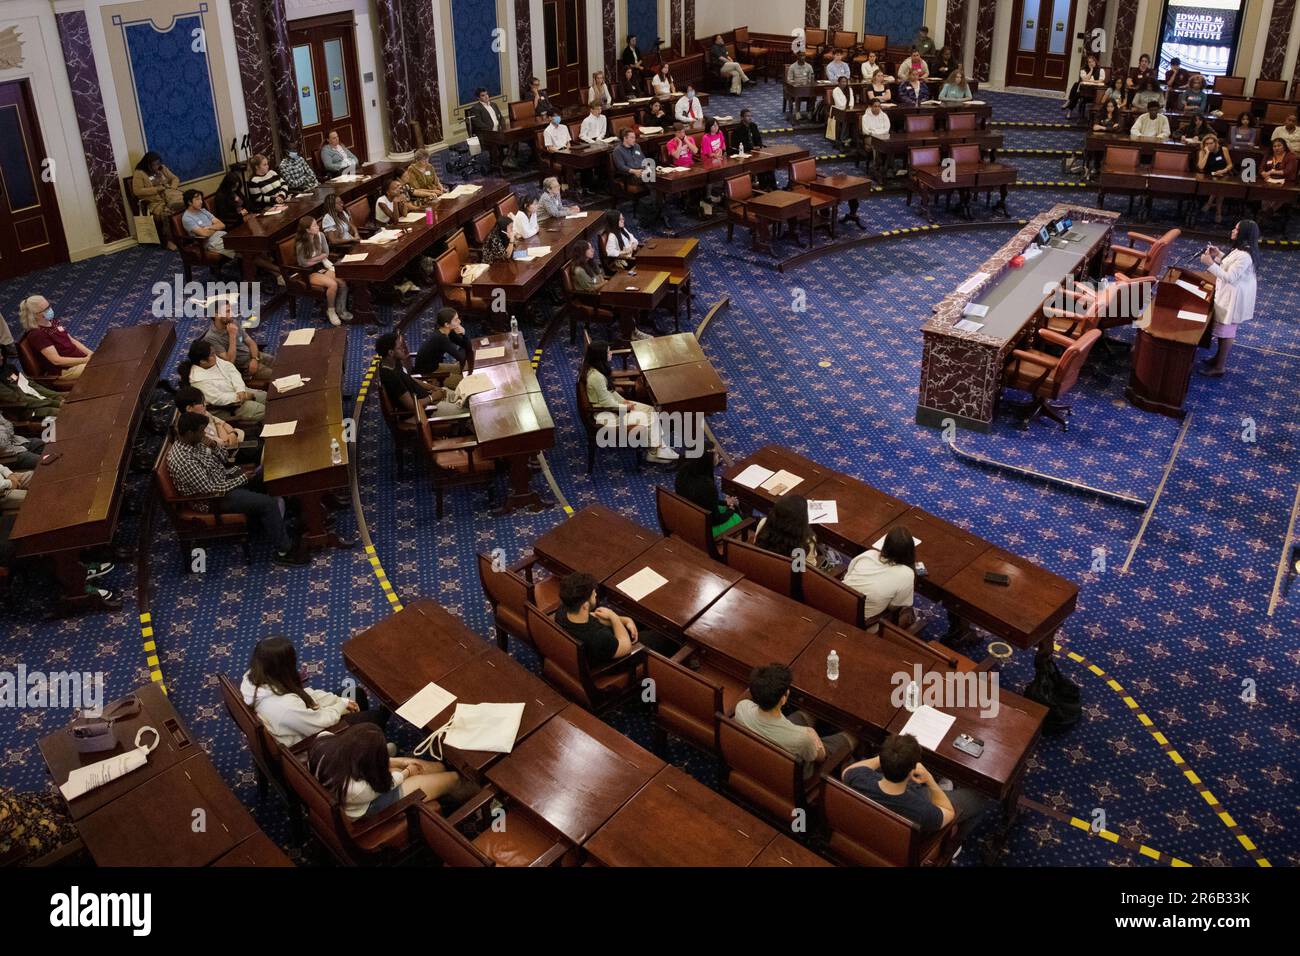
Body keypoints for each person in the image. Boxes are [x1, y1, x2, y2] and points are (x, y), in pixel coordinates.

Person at [167, 411, 305, 563]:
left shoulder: (195, 442)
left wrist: (213, 445)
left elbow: (225, 458)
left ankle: (300, 515)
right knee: (268, 504)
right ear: (189, 433)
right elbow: (213, 490)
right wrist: (243, 479)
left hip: (226, 479)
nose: (204, 433)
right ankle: (284, 551)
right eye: (201, 431)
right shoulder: (184, 461)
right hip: (214, 500)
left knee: (271, 474)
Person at [842, 732, 990, 844]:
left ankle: (944, 787)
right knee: (980, 797)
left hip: (867, 833)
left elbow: (847, 771)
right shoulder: (924, 811)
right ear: (912, 768)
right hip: (908, 840)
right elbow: (949, 812)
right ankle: (954, 844)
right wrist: (930, 780)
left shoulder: (859, 778)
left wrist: (888, 756)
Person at [308, 722, 475, 820]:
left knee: (439, 767)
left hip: (356, 786)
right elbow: (386, 785)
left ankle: (441, 773)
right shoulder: (358, 791)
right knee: (453, 778)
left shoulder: (322, 740)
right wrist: (406, 772)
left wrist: (399, 762)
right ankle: (469, 792)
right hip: (370, 804)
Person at [241, 635, 387, 747]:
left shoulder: (253, 676)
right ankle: (369, 748)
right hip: (311, 742)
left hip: (303, 720)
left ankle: (365, 744)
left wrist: (339, 701)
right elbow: (319, 723)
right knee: (374, 719)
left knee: (356, 694)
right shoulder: (285, 708)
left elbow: (301, 693)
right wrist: (340, 706)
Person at [733, 664, 856, 780]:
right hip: (796, 776)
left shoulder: (742, 708)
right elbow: (821, 757)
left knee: (807, 714)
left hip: (761, 760)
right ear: (783, 699)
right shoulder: (803, 738)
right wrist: (812, 735)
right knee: (852, 737)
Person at [584, 341, 678, 461]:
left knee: (650, 409)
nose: (611, 353)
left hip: (613, 407)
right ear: (600, 356)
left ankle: (656, 449)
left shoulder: (599, 371)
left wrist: (624, 401)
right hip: (606, 415)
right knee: (648, 418)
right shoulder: (596, 377)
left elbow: (610, 391)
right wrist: (625, 408)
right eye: (608, 351)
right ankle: (657, 450)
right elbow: (606, 403)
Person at [1198, 220, 1258, 377]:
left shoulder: (1245, 255)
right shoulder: (1241, 250)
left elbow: (1230, 277)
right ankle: (1218, 359)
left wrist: (1210, 264)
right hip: (1230, 294)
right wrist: (1218, 255)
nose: (1233, 230)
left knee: (1226, 332)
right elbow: (1230, 264)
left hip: (1234, 299)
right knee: (1223, 331)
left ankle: (1220, 367)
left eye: (1236, 229)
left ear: (1243, 233)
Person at [842, 526, 922, 632]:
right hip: (864, 624)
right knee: (908, 613)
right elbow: (894, 607)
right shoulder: (907, 574)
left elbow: (848, 575)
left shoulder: (868, 554)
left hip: (838, 604)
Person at [376, 332, 464, 419]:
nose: (404, 349)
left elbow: (409, 379)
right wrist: (433, 397)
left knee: (464, 396)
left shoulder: (392, 363)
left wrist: (431, 387)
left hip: (428, 397)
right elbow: (412, 406)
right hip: (427, 410)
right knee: (466, 410)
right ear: (391, 352)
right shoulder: (392, 377)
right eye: (400, 348)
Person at [554, 571, 637, 662]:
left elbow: (594, 617)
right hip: (609, 665)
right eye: (593, 594)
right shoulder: (599, 636)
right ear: (585, 606)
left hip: (586, 653)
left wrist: (626, 620)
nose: (596, 595)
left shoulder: (562, 610)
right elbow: (626, 647)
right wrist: (614, 617)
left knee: (634, 621)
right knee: (651, 637)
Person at [181, 339, 267, 421]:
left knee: (266, 396)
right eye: (212, 354)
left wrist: (240, 390)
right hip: (229, 406)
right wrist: (239, 397)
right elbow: (218, 399)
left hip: (240, 391)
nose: (215, 355)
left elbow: (231, 370)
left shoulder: (212, 359)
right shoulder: (198, 380)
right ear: (203, 361)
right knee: (262, 410)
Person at [17, 296, 93, 380]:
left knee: (102, 360)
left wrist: (90, 353)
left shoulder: (52, 321)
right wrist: (86, 360)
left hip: (78, 359)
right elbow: (56, 360)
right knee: (96, 367)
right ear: (35, 314)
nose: (50, 310)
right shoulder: (37, 334)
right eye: (45, 309)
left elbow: (71, 340)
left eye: (49, 306)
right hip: (65, 370)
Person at [674, 445, 743, 537]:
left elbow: (703, 501)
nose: (719, 456)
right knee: (738, 517)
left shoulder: (684, 471)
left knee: (726, 508)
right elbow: (716, 520)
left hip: (687, 516)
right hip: (703, 528)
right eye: (716, 455)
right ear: (707, 460)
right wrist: (731, 509)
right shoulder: (707, 487)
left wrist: (725, 502)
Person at [175, 384, 255, 462]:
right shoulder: (193, 428)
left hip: (237, 436)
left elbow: (223, 423)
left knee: (260, 432)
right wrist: (220, 426)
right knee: (261, 448)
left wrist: (232, 433)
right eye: (202, 403)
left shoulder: (204, 413)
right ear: (189, 408)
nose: (205, 405)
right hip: (231, 452)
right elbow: (223, 443)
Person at [295, 215, 348, 325]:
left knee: (342, 281)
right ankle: (331, 311)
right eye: (314, 225)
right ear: (307, 230)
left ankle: (341, 309)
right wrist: (320, 258)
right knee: (333, 284)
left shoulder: (320, 235)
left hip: (323, 266)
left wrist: (314, 259)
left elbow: (326, 253)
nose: (318, 226)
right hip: (309, 272)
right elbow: (303, 263)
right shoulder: (300, 244)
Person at [203, 301, 273, 384]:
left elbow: (251, 343)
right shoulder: (211, 338)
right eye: (228, 311)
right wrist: (232, 336)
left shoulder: (233, 323)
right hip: (244, 367)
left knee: (282, 364)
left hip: (254, 356)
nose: (232, 314)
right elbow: (230, 362)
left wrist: (254, 358)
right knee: (277, 374)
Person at [754, 493, 829, 570]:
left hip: (761, 568)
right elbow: (810, 568)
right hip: (790, 577)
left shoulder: (763, 523)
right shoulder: (807, 540)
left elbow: (757, 545)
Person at [131, 150, 183, 249]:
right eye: (154, 165)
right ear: (147, 164)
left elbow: (175, 178)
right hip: (154, 201)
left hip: (169, 195)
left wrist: (172, 187)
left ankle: (184, 235)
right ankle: (168, 241)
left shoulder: (162, 168)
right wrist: (156, 189)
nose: (156, 167)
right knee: (167, 213)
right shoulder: (139, 173)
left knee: (186, 205)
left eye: (158, 164)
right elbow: (137, 191)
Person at [413, 307, 467, 383]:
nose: (459, 321)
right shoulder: (440, 338)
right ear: (447, 324)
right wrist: (463, 335)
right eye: (456, 320)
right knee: (466, 381)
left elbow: (462, 344)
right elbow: (461, 357)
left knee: (463, 368)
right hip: (429, 374)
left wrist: (462, 336)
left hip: (435, 366)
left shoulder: (445, 330)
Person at [180, 188, 234, 263]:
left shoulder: (203, 211)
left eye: (201, 199)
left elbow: (222, 225)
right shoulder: (187, 218)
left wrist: (209, 227)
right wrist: (215, 228)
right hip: (210, 243)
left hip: (222, 235)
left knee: (243, 244)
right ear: (189, 202)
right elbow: (204, 234)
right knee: (240, 249)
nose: (201, 202)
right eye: (197, 199)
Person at [1196, 133, 1233, 224]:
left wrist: (1224, 170)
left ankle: (1211, 204)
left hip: (1223, 174)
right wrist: (1207, 153)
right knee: (1218, 185)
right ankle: (1218, 211)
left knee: (1221, 184)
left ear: (1216, 143)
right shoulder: (1202, 152)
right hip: (1208, 176)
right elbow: (1201, 167)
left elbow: (1230, 165)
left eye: (1211, 143)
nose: (1209, 145)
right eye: (1206, 144)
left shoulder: (1223, 150)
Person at [786, 52, 816, 121]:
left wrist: (808, 83)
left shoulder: (809, 66)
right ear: (797, 57)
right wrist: (796, 84)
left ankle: (809, 112)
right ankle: (797, 112)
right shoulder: (792, 67)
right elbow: (789, 80)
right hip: (796, 87)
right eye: (801, 56)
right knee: (798, 93)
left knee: (813, 95)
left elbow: (811, 78)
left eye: (804, 56)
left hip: (806, 87)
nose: (802, 57)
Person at [829, 76, 856, 147]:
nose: (844, 83)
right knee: (846, 118)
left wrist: (850, 107)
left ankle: (854, 138)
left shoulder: (850, 89)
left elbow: (852, 100)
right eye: (842, 82)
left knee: (856, 117)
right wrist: (846, 109)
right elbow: (839, 103)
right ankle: (844, 138)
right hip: (837, 109)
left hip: (848, 109)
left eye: (845, 82)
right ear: (839, 83)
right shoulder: (835, 90)